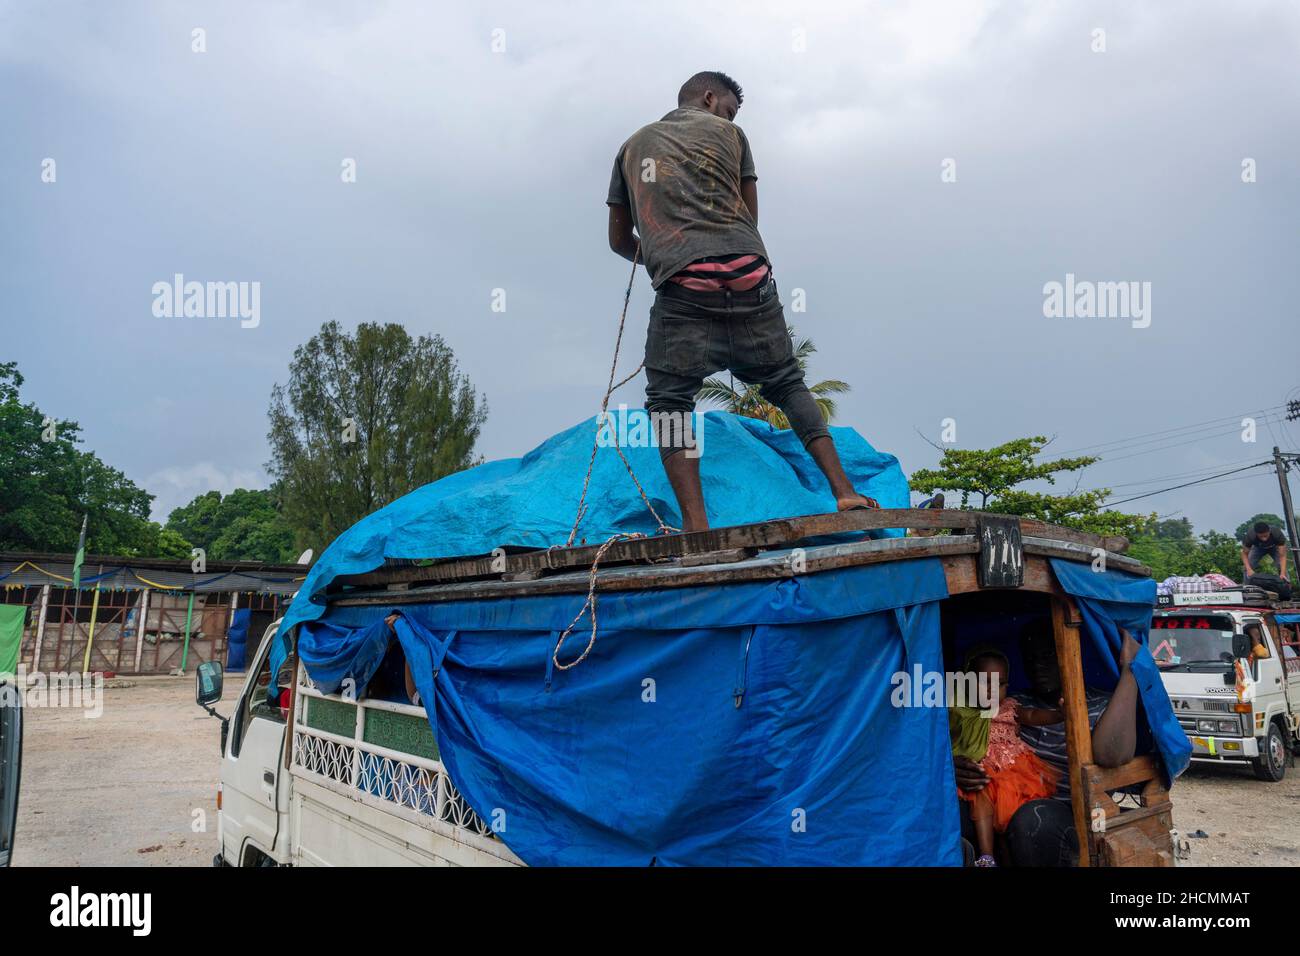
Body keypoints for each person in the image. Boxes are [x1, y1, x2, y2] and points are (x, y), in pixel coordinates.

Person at [606, 71, 878, 532]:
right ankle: (846, 493)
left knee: (670, 405)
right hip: (750, 278)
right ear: (710, 98)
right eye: (729, 107)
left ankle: (696, 525)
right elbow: (748, 218)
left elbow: (617, 240)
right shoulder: (731, 135)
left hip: (683, 291)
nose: (730, 116)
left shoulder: (632, 147)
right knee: (788, 383)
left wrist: (665, 255)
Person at [951, 624, 1143, 866]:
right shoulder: (1011, 702)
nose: (1037, 665)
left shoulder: (1098, 705)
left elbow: (1112, 755)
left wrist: (1130, 672)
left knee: (1032, 818)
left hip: (1065, 811)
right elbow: (963, 738)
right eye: (1030, 658)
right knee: (951, 810)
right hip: (998, 796)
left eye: (1047, 656)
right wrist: (957, 766)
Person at [949, 649, 1061, 867]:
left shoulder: (1008, 708)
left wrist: (1059, 714)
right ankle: (986, 855)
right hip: (983, 773)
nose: (992, 690)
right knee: (980, 799)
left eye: (999, 684)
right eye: (984, 683)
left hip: (1012, 772)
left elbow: (1032, 715)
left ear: (1007, 686)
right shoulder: (960, 712)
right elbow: (951, 743)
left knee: (1011, 824)